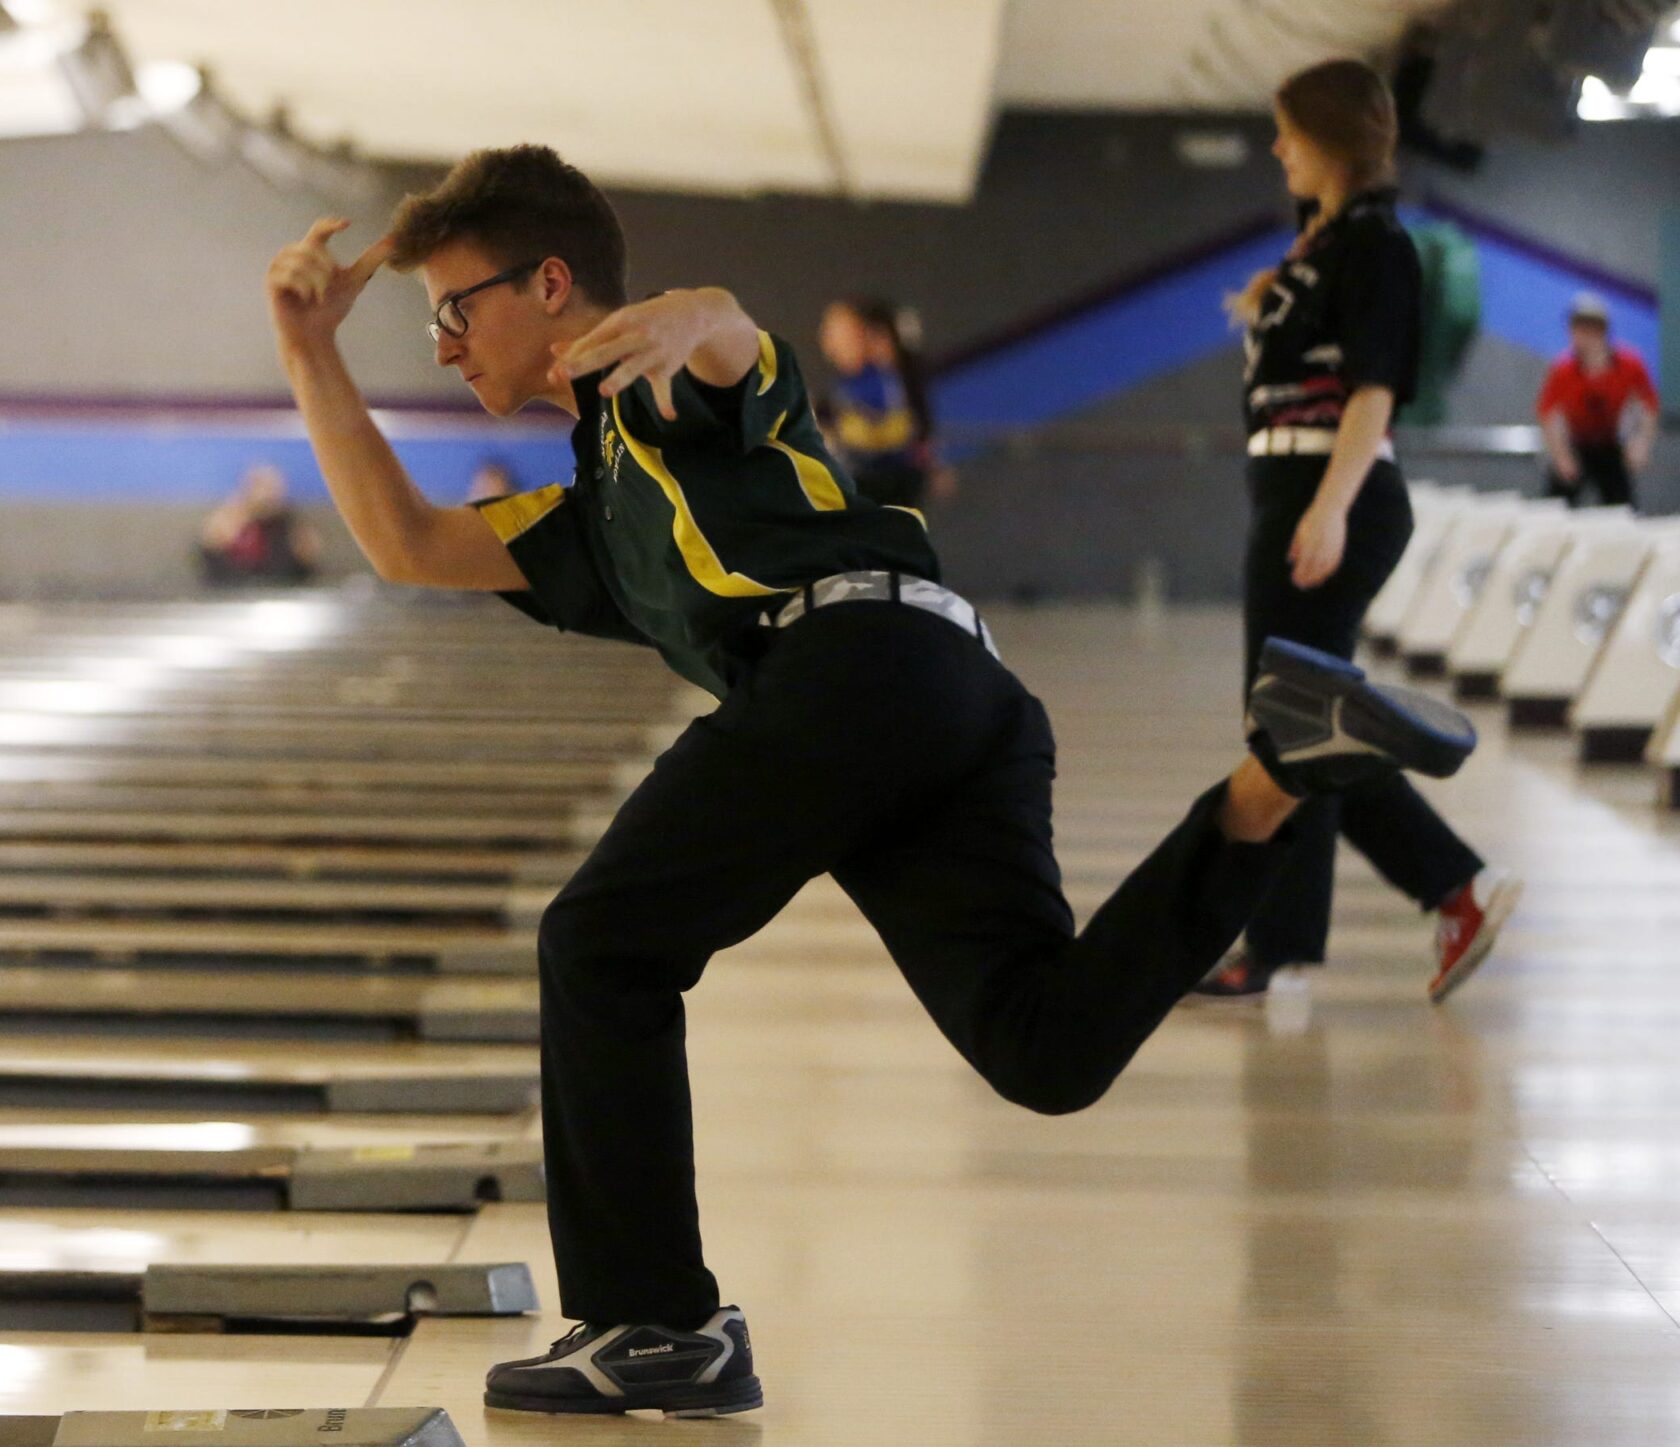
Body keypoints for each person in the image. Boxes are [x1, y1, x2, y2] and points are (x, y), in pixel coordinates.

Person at [264, 142, 1478, 1418]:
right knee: (1041, 1044)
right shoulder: (595, 513)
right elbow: (406, 541)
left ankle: (656, 1324)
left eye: (455, 311)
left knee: (599, 943)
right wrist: (306, 350)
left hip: (850, 666)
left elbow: (729, 341)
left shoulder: (652, 387)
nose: (446, 346)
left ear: (549, 284)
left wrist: (694, 314)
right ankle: (1275, 775)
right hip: (948, 688)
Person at [1192, 60, 1521, 1004]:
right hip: (1297, 486)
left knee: (1290, 725)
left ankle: (1429, 894)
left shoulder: (1378, 244)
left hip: (1332, 489)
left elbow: (1375, 391)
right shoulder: (1326, 243)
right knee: (1295, 723)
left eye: (1288, 133)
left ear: (1330, 141)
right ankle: (1427, 897)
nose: (1277, 149)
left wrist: (1329, 507)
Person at [815, 295, 954, 509]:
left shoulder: (883, 383)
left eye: (841, 331)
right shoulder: (842, 389)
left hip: (883, 488)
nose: (830, 340)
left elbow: (894, 432)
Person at [1538, 293, 1659, 508]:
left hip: (1610, 444)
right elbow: (1547, 413)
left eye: (1588, 329)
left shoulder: (1630, 365)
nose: (1580, 336)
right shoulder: (1563, 370)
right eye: (1576, 329)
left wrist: (1641, 443)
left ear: (1601, 331)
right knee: (1553, 504)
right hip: (1576, 445)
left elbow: (1649, 405)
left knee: (1621, 506)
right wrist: (1561, 455)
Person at [194, 463, 321, 586]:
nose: (268, 495)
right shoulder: (229, 520)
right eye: (263, 487)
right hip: (233, 588)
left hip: (280, 588)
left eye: (273, 489)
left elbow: (307, 566)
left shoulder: (290, 525)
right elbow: (209, 560)